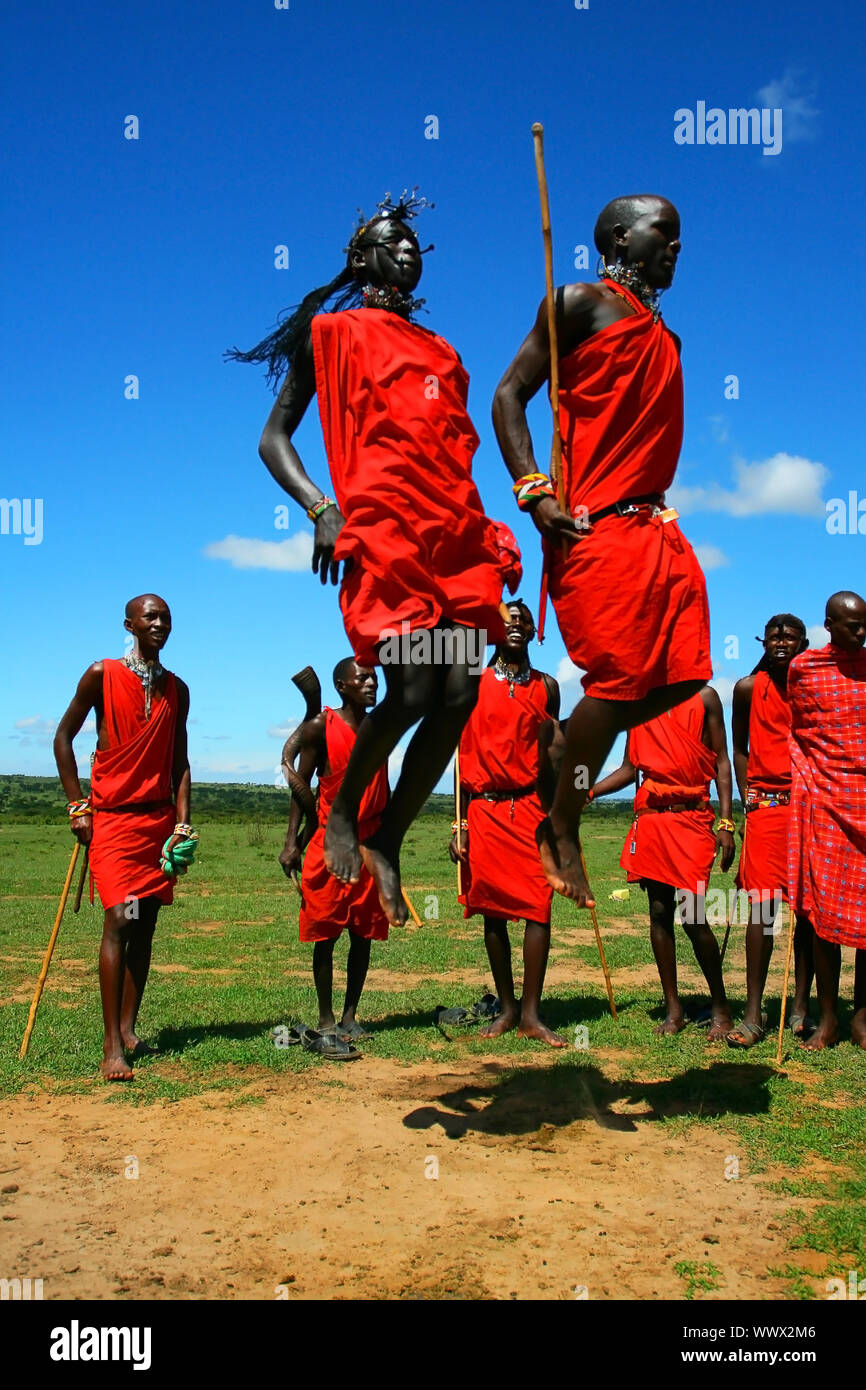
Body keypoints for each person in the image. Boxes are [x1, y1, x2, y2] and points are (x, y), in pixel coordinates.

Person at [230, 191, 519, 927]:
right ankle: (343, 821)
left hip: (451, 533)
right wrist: (322, 509)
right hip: (385, 533)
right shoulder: (331, 334)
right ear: (360, 256)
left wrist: (489, 533)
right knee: (414, 690)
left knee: (458, 694)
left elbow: (455, 455)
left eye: (417, 243)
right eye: (393, 240)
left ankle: (388, 838)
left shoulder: (443, 352)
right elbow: (274, 438)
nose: (410, 250)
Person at [492, 194, 710, 909]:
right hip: (597, 526)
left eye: (680, 236)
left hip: (660, 529)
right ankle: (559, 821)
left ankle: (563, 752)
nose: (677, 245)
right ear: (621, 236)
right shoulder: (579, 301)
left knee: (683, 681)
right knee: (618, 680)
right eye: (665, 232)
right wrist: (536, 491)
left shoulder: (664, 335)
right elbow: (507, 397)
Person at [53, 595, 193, 1081]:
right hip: (112, 819)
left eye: (166, 618)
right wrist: (78, 805)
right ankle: (112, 1045)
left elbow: (180, 764)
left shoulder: (178, 689)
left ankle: (130, 1027)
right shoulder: (101, 674)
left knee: (144, 924)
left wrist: (183, 823)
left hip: (157, 824)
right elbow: (63, 738)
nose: (160, 624)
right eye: (150, 617)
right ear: (129, 623)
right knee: (118, 917)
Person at [589, 685, 735, 1039]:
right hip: (653, 820)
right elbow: (628, 769)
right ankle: (674, 1009)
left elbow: (721, 761)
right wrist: (589, 792)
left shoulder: (705, 697)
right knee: (658, 911)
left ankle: (720, 1006)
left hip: (692, 819)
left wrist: (727, 822)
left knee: (693, 915)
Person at [450, 601, 563, 1045]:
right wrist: (458, 822)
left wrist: (560, 818)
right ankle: (507, 1007)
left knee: (539, 907)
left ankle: (532, 1015)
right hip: (485, 808)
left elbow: (554, 756)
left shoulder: (548, 687)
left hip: (532, 810)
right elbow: (459, 757)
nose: (515, 627)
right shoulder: (473, 684)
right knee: (493, 911)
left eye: (523, 622)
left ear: (535, 631)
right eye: (506, 622)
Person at [279, 659, 389, 1053]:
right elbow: (301, 785)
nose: (372, 683)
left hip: (370, 842)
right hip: (330, 843)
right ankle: (325, 1019)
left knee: (363, 933)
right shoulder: (320, 729)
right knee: (325, 932)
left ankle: (350, 1017)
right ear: (342, 686)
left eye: (374, 678)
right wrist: (292, 841)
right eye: (362, 679)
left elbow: (385, 788)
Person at [728, 615, 813, 1047]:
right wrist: (748, 798)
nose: (782, 641)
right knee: (761, 910)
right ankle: (753, 1012)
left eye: (790, 635)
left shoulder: (815, 687)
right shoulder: (747, 688)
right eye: (775, 635)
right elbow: (738, 746)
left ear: (804, 642)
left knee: (807, 913)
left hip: (809, 809)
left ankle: (798, 1008)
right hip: (765, 809)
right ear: (765, 641)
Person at [787, 591, 866, 1051]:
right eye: (852, 626)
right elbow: (800, 731)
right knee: (824, 919)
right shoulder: (806, 669)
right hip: (827, 803)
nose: (860, 633)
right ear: (829, 625)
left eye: (864, 625)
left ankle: (861, 1018)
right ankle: (828, 1018)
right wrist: (807, 781)